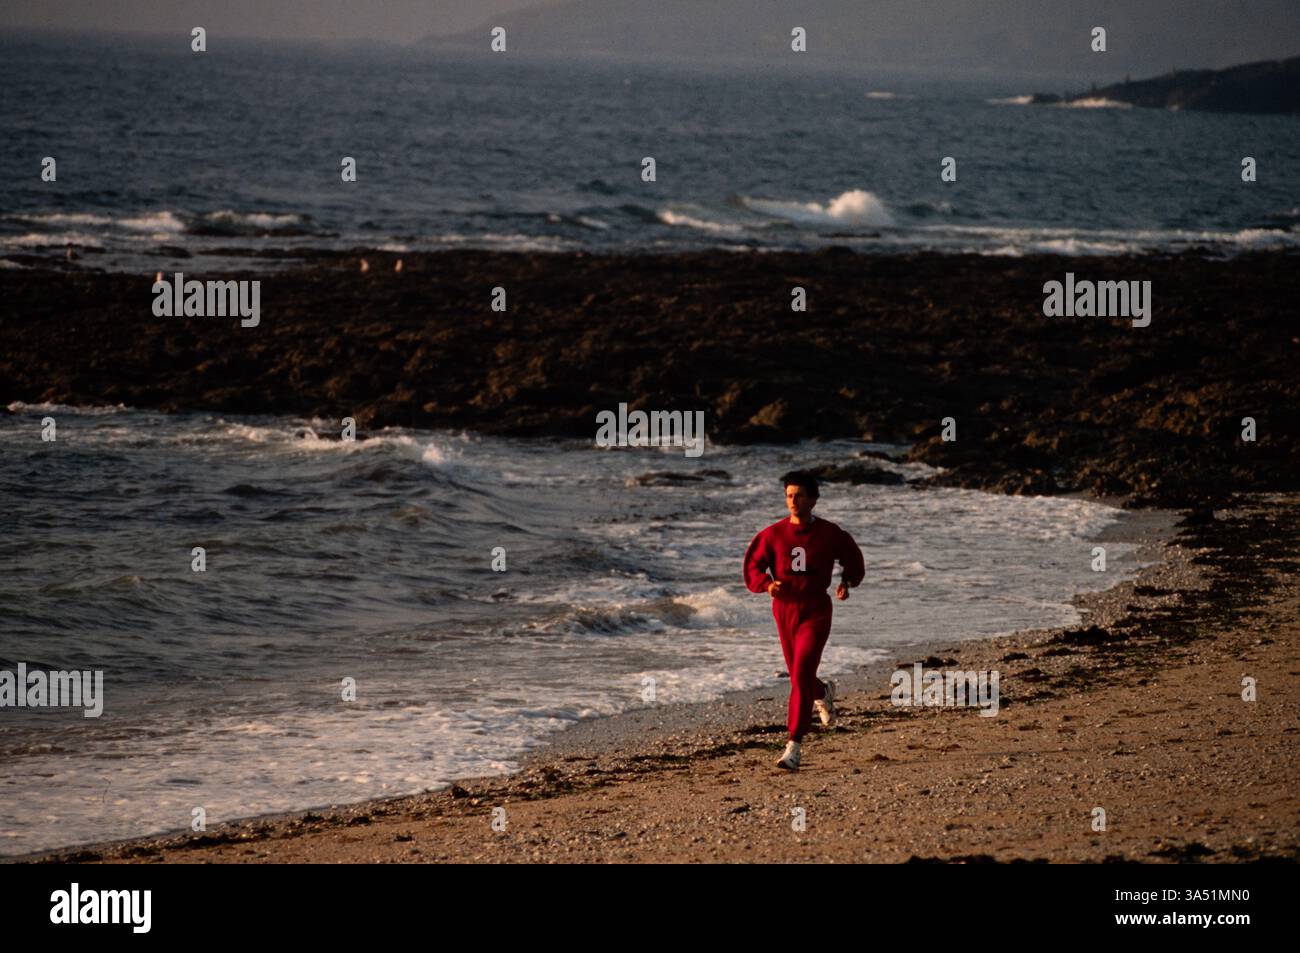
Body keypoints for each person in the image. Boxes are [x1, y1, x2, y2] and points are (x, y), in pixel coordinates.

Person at [742, 470, 865, 770]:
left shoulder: (829, 533)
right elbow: (752, 567)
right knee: (801, 675)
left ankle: (793, 746)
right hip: (784, 610)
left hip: (816, 609)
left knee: (799, 676)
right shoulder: (772, 535)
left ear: (813, 499)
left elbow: (853, 559)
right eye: (788, 496)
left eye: (798, 496)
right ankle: (823, 692)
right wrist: (768, 585)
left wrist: (846, 582)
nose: (793, 501)